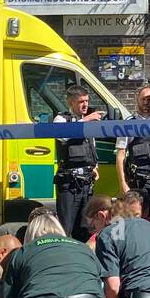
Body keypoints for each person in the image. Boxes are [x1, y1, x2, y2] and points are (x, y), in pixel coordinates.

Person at [53, 84, 104, 242]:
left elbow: (91, 146)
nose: (85, 105)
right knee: (65, 228)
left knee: (86, 228)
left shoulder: (86, 121)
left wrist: (95, 166)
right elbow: (62, 135)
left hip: (86, 184)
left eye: (87, 101)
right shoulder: (61, 119)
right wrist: (86, 120)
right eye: (81, 101)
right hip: (70, 184)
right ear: (71, 103)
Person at [115, 83, 150, 231]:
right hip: (138, 183)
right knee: (136, 223)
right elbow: (120, 155)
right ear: (137, 99)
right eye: (143, 99)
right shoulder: (128, 123)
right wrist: (123, 184)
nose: (146, 102)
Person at [123, 189, 150, 255]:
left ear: (146, 212)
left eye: (136, 215)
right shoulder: (118, 230)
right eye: (127, 215)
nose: (131, 220)